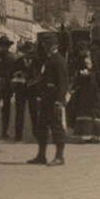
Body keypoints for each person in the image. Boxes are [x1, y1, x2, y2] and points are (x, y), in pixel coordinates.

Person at [27, 34, 68, 166]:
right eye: (45, 45)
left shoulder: (59, 61)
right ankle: (41, 155)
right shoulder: (49, 60)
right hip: (46, 99)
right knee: (41, 128)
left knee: (57, 128)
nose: (45, 48)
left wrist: (60, 101)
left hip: (54, 100)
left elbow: (63, 83)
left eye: (48, 45)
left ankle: (59, 157)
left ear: (55, 46)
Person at [72, 50, 100, 142]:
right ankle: (84, 134)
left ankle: (95, 135)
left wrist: (90, 75)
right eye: (85, 58)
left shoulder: (98, 71)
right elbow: (77, 81)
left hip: (95, 95)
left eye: (88, 58)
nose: (86, 60)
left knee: (94, 113)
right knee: (84, 112)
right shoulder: (82, 69)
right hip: (84, 95)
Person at [10, 40, 37, 141]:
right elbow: (12, 74)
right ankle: (18, 135)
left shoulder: (37, 61)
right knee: (19, 112)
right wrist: (17, 76)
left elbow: (39, 75)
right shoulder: (18, 62)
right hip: (20, 90)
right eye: (27, 52)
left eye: (31, 52)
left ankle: (36, 134)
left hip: (33, 90)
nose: (29, 55)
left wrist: (31, 78)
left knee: (34, 112)